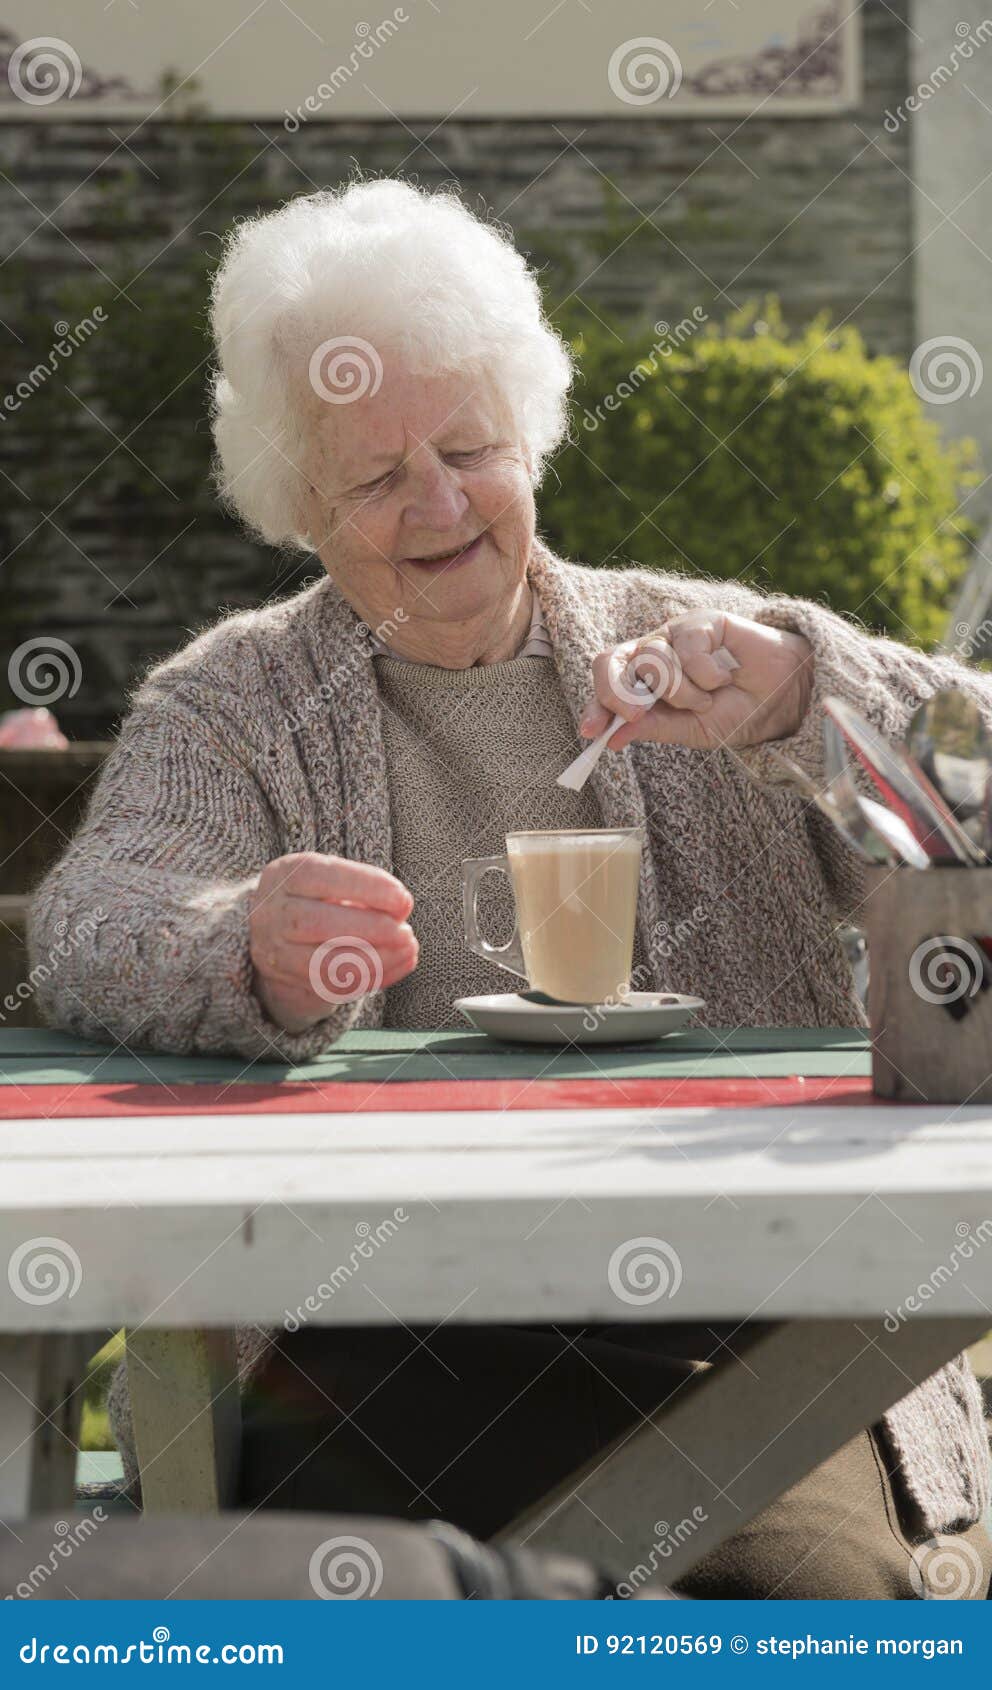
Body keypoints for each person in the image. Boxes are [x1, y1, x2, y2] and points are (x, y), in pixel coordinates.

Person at [29, 176, 992, 1598]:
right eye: (373, 478)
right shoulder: (234, 708)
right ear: (300, 502)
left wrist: (809, 702)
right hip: (380, 1345)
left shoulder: (696, 648)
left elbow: (972, 790)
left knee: (813, 1611)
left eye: (471, 446)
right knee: (389, 1607)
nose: (439, 502)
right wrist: (241, 944)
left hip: (758, 1336)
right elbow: (87, 928)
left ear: (530, 432)